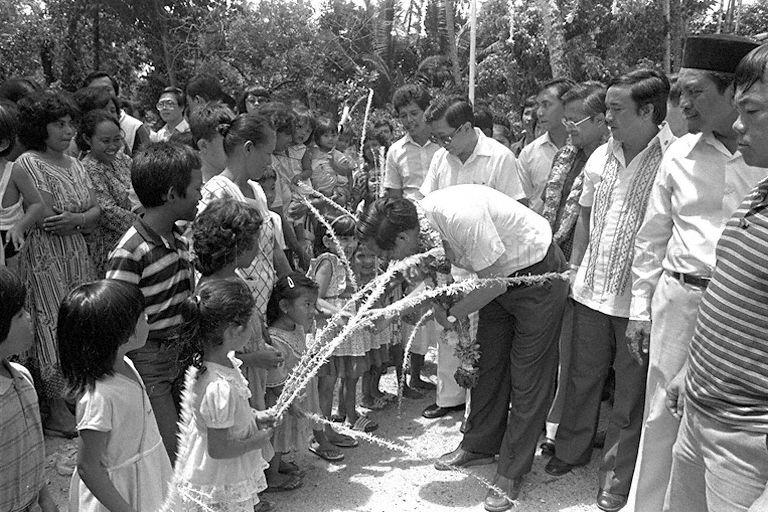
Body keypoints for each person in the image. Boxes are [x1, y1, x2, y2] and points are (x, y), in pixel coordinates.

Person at [357, 185, 568, 511]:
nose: (390, 262)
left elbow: (493, 283)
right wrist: (390, 314)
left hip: (534, 274)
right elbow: (437, 287)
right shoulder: (421, 230)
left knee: (528, 375)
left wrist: (452, 313)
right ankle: (480, 445)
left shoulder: (459, 217)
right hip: (495, 279)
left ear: (402, 239)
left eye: (387, 255)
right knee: (489, 365)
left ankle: (512, 470)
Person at [623, 35, 763, 512]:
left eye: (695, 92)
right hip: (680, 301)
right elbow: (652, 237)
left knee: (730, 429)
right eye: (679, 91)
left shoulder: (762, 156)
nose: (683, 104)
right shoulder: (678, 155)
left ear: (732, 94)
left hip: (748, 316)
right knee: (661, 415)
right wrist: (641, 310)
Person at [545, 69, 676, 512]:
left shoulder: (672, 159)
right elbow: (584, 215)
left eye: (617, 109)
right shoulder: (601, 154)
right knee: (581, 376)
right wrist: (576, 269)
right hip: (591, 291)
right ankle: (570, 450)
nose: (608, 117)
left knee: (630, 391)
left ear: (648, 112)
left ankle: (617, 476)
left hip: (639, 299)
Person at [418, 94, 527, 420]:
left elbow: (515, 213)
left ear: (467, 127)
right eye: (436, 137)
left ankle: (476, 413)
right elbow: (427, 204)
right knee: (448, 328)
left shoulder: (500, 158)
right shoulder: (441, 159)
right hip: (450, 260)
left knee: (479, 339)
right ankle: (448, 397)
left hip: (488, 265)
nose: (441, 143)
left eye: (445, 136)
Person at [106, 141, 201, 460]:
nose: (201, 195)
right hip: (149, 358)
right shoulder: (131, 252)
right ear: (172, 194)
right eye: (195, 188)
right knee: (169, 445)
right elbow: (115, 319)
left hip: (182, 352)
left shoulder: (179, 239)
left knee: (190, 433)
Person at [16, 90, 100, 436]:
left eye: (70, 124)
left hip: (77, 254)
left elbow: (95, 210)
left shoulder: (76, 163)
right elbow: (49, 218)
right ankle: (57, 411)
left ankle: (79, 400)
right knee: (50, 324)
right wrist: (82, 217)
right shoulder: (29, 163)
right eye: (58, 124)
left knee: (78, 322)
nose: (67, 131)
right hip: (45, 258)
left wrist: (79, 220)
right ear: (40, 127)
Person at [538, 81, 609, 454]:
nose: (569, 128)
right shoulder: (566, 155)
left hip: (588, 270)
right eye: (566, 120)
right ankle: (550, 424)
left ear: (600, 120)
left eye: (575, 120)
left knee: (576, 357)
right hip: (555, 261)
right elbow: (547, 206)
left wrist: (577, 264)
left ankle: (562, 430)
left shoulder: (610, 160)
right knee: (553, 352)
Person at [60, 280, 172, 512]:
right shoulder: (99, 397)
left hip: (146, 476)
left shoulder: (127, 364)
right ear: (120, 333)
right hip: (119, 495)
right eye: (141, 316)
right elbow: (88, 467)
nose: (147, 319)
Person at [172, 279, 278, 512]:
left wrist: (254, 417)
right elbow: (218, 448)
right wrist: (256, 442)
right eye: (251, 322)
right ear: (234, 331)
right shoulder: (219, 386)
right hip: (219, 478)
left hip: (216, 473)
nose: (253, 329)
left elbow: (223, 418)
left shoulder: (221, 365)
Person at [197, 112, 291, 318]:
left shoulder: (257, 190)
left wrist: (293, 285)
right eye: (268, 154)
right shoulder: (216, 192)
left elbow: (273, 247)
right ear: (248, 148)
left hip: (261, 308)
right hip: (232, 314)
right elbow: (209, 259)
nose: (270, 162)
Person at [308, 214, 379, 433]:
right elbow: (315, 299)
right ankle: (323, 431)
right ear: (327, 240)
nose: (348, 244)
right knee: (327, 383)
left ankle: (348, 415)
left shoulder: (345, 263)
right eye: (342, 238)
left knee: (350, 374)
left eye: (352, 238)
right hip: (329, 329)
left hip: (346, 329)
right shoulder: (328, 261)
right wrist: (340, 314)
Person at [0, 268, 57, 512]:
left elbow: (32, 452)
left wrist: (45, 499)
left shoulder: (22, 377)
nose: (29, 318)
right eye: (20, 314)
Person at [264, 273, 323, 485]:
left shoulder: (297, 327)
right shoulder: (275, 338)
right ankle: (272, 477)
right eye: (307, 304)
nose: (312, 310)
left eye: (313, 304)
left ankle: (278, 465)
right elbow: (275, 378)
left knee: (287, 434)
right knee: (278, 435)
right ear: (284, 306)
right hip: (282, 400)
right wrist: (289, 402)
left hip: (296, 395)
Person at [78, 111, 137, 277]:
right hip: (110, 249)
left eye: (117, 139)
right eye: (105, 141)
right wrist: (148, 225)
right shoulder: (88, 168)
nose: (112, 146)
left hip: (138, 241)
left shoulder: (123, 160)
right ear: (88, 139)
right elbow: (107, 212)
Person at [518, 78, 575, 212]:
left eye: (546, 105)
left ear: (567, 105)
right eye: (539, 105)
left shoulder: (588, 148)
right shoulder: (529, 154)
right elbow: (523, 206)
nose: (539, 113)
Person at [0, 100, 44, 270]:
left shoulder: (14, 171)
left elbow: (37, 204)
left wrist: (20, 227)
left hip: (10, 240)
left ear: (3, 143)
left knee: (11, 288)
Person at [382, 84, 439, 202]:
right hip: (412, 217)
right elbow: (395, 197)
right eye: (403, 116)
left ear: (427, 111)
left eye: (414, 113)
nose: (409, 120)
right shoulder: (395, 151)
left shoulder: (444, 144)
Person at [83, 71, 151, 155]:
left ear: (116, 93)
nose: (101, 94)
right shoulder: (79, 127)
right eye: (95, 90)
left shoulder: (134, 128)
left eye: (107, 89)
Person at [308, 116, 353, 204]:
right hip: (316, 191)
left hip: (334, 192)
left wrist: (334, 165)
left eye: (333, 136)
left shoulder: (338, 155)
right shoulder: (312, 153)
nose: (330, 139)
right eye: (326, 136)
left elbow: (346, 172)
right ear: (318, 137)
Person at [188, 101, 235, 184]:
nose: (235, 147)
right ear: (203, 146)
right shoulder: (188, 191)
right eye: (227, 141)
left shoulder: (249, 186)